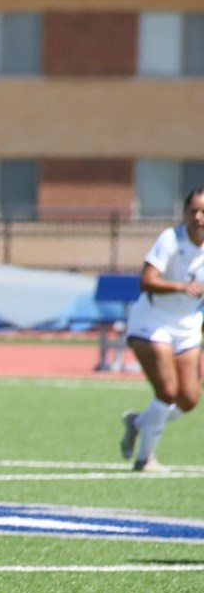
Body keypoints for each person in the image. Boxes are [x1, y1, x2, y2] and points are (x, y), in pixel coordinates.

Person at [117, 186, 204, 473]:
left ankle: (138, 422)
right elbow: (146, 280)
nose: (199, 217)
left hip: (187, 326)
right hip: (152, 322)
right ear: (184, 214)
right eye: (193, 211)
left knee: (189, 398)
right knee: (167, 391)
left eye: (203, 212)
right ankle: (145, 459)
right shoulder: (170, 239)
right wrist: (181, 287)